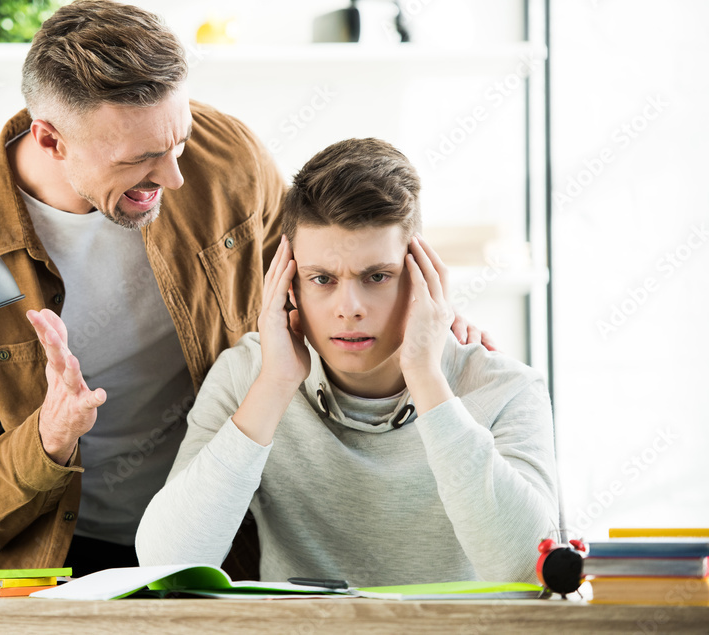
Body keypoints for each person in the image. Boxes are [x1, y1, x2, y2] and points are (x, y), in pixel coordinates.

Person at [0, 0, 489, 575]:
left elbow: (322, 279)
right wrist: (49, 435)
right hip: (45, 567)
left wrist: (416, 313)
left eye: (179, 141)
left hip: (218, 539)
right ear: (52, 139)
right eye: (142, 158)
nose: (175, 176)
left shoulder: (228, 157)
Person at [135, 138, 558, 586]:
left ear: (420, 277)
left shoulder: (507, 389)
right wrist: (275, 384)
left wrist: (426, 379)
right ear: (289, 282)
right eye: (322, 279)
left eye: (377, 276)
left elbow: (528, 570)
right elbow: (167, 565)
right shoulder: (249, 377)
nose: (349, 307)